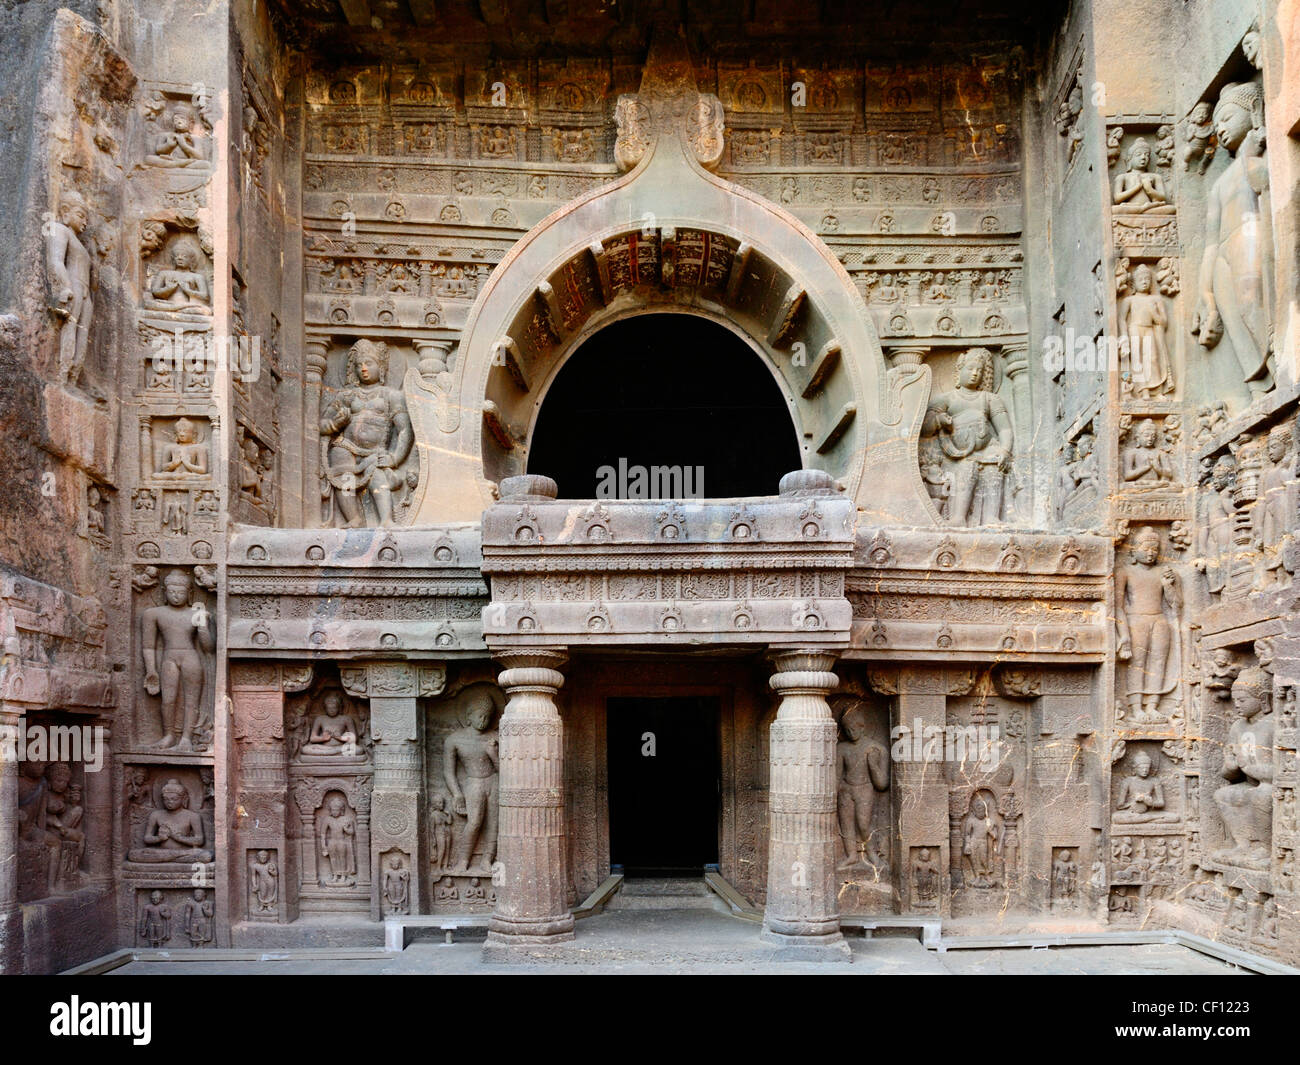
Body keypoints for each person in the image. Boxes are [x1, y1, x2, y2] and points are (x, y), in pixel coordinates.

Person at [1194, 81, 1275, 402]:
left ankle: (1280, 368)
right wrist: (1205, 294)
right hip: (1222, 253)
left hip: (1249, 234)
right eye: (1217, 126)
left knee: (1253, 305)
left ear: (1251, 111)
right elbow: (1211, 243)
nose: (1222, 129)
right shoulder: (1218, 185)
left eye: (1228, 118)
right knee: (1233, 315)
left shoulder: (1254, 162)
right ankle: (1258, 388)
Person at [320, 340, 413, 527]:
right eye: (359, 365)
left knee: (377, 474)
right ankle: (353, 518)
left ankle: (386, 519)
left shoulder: (391, 396)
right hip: (346, 447)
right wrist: (335, 424)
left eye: (369, 363)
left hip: (375, 451)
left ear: (382, 367)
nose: (363, 368)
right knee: (343, 473)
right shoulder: (347, 395)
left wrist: (394, 458)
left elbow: (404, 430)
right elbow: (321, 424)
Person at [922, 347, 1014, 525]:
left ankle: (991, 517)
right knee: (967, 468)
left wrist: (1005, 450)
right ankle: (958, 517)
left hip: (987, 448)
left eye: (980, 371)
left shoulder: (990, 399)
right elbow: (925, 428)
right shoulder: (947, 399)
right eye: (970, 369)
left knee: (994, 467)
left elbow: (1004, 429)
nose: (975, 374)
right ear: (959, 371)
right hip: (955, 453)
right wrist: (940, 421)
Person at [141, 569, 214, 750]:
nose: (176, 596)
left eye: (181, 592)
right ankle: (169, 735)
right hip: (169, 657)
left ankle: (187, 738)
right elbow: (148, 646)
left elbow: (209, 648)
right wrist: (151, 671)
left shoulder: (196, 613)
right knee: (168, 699)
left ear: (189, 594)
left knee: (191, 700)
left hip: (191, 657)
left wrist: (203, 626)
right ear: (164, 592)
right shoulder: (153, 614)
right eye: (172, 591)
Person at [443, 689, 499, 871]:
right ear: (469, 715)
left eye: (488, 717)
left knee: (494, 823)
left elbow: (505, 771)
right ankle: (463, 860)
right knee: (474, 822)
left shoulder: (494, 738)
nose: (484, 720)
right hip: (473, 782)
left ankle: (487, 860)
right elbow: (448, 772)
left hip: (494, 781)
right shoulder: (455, 740)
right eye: (480, 715)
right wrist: (457, 794)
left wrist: (493, 754)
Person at [46, 191, 95, 383]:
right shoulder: (59, 229)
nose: (85, 222)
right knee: (69, 329)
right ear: (65, 211)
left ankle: (74, 377)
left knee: (82, 336)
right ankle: (62, 375)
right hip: (73, 284)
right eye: (81, 216)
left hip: (85, 292)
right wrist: (64, 287)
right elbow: (55, 261)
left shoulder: (79, 242)